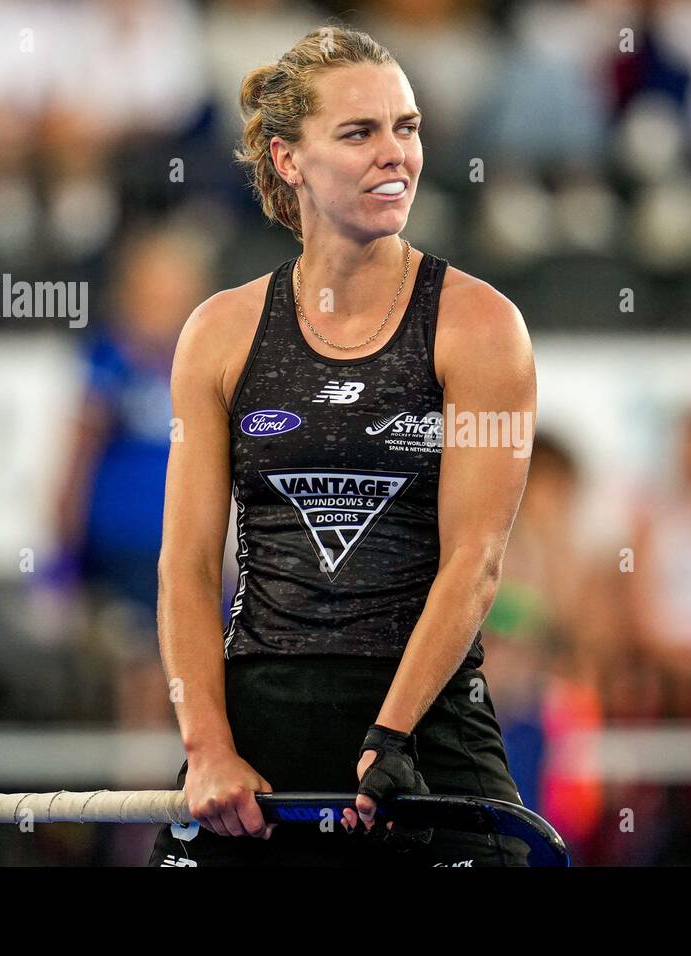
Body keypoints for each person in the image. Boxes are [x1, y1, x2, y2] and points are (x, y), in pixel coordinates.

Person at [147, 23, 537, 867]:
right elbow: (182, 567)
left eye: (408, 127)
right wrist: (208, 746)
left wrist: (392, 732)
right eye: (359, 133)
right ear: (288, 160)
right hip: (262, 716)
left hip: (424, 720)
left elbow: (475, 560)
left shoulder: (480, 327)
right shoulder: (219, 334)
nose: (393, 154)